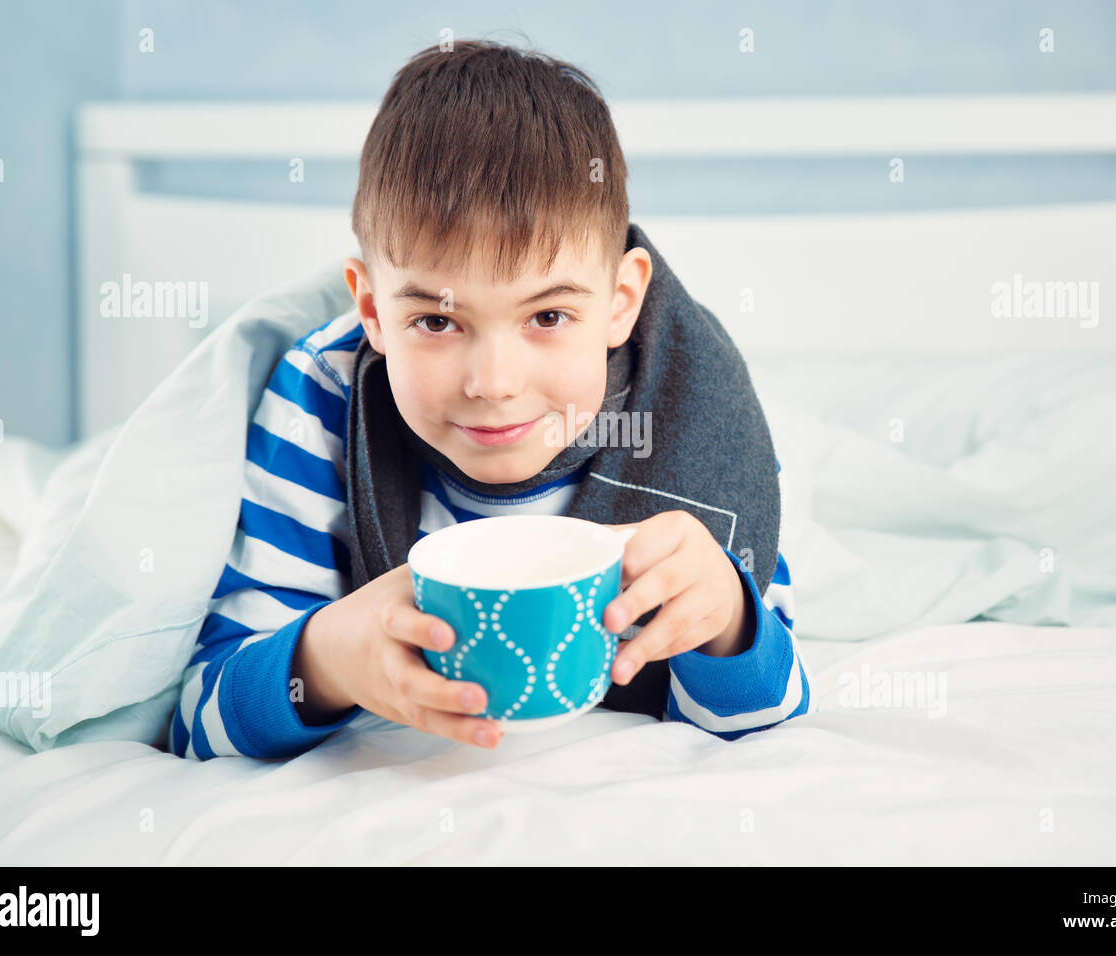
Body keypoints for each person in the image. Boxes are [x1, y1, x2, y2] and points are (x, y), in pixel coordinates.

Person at [168, 39, 808, 761]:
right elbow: (200, 722)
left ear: (622, 302)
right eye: (437, 322)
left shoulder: (698, 412)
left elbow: (769, 711)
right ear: (373, 313)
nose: (494, 383)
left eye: (548, 317)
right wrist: (323, 660)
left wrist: (726, 620)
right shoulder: (323, 403)